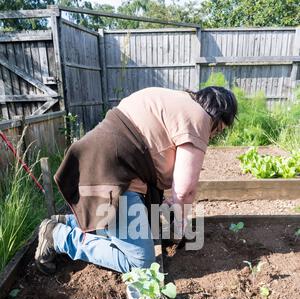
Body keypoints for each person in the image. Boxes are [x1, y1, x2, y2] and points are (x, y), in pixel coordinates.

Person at [35, 86, 237, 275]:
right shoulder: (199, 117)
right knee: (140, 263)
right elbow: (185, 190)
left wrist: (170, 204)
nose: (213, 136)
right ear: (217, 115)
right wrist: (180, 223)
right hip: (115, 176)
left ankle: (70, 221)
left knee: (138, 224)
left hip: (93, 162)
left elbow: (154, 151)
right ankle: (58, 237)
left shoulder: (170, 99)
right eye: (218, 130)